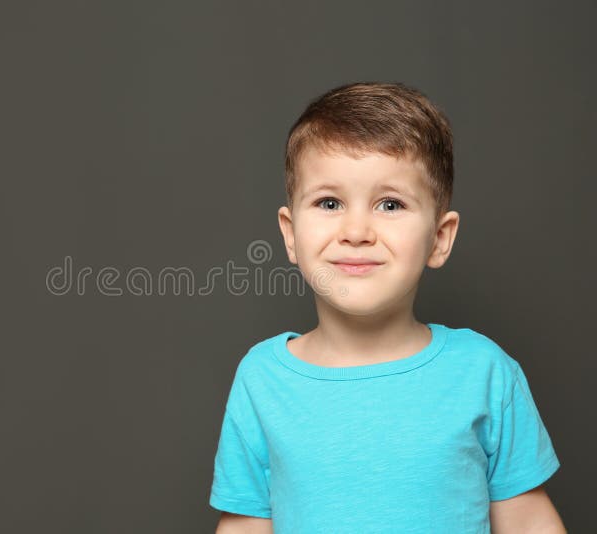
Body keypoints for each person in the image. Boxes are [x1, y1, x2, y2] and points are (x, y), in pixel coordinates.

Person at [209, 82, 566, 533]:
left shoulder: (484, 372)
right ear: (290, 233)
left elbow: (529, 521)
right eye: (329, 202)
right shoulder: (262, 379)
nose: (356, 231)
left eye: (390, 204)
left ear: (439, 238)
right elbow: (244, 525)